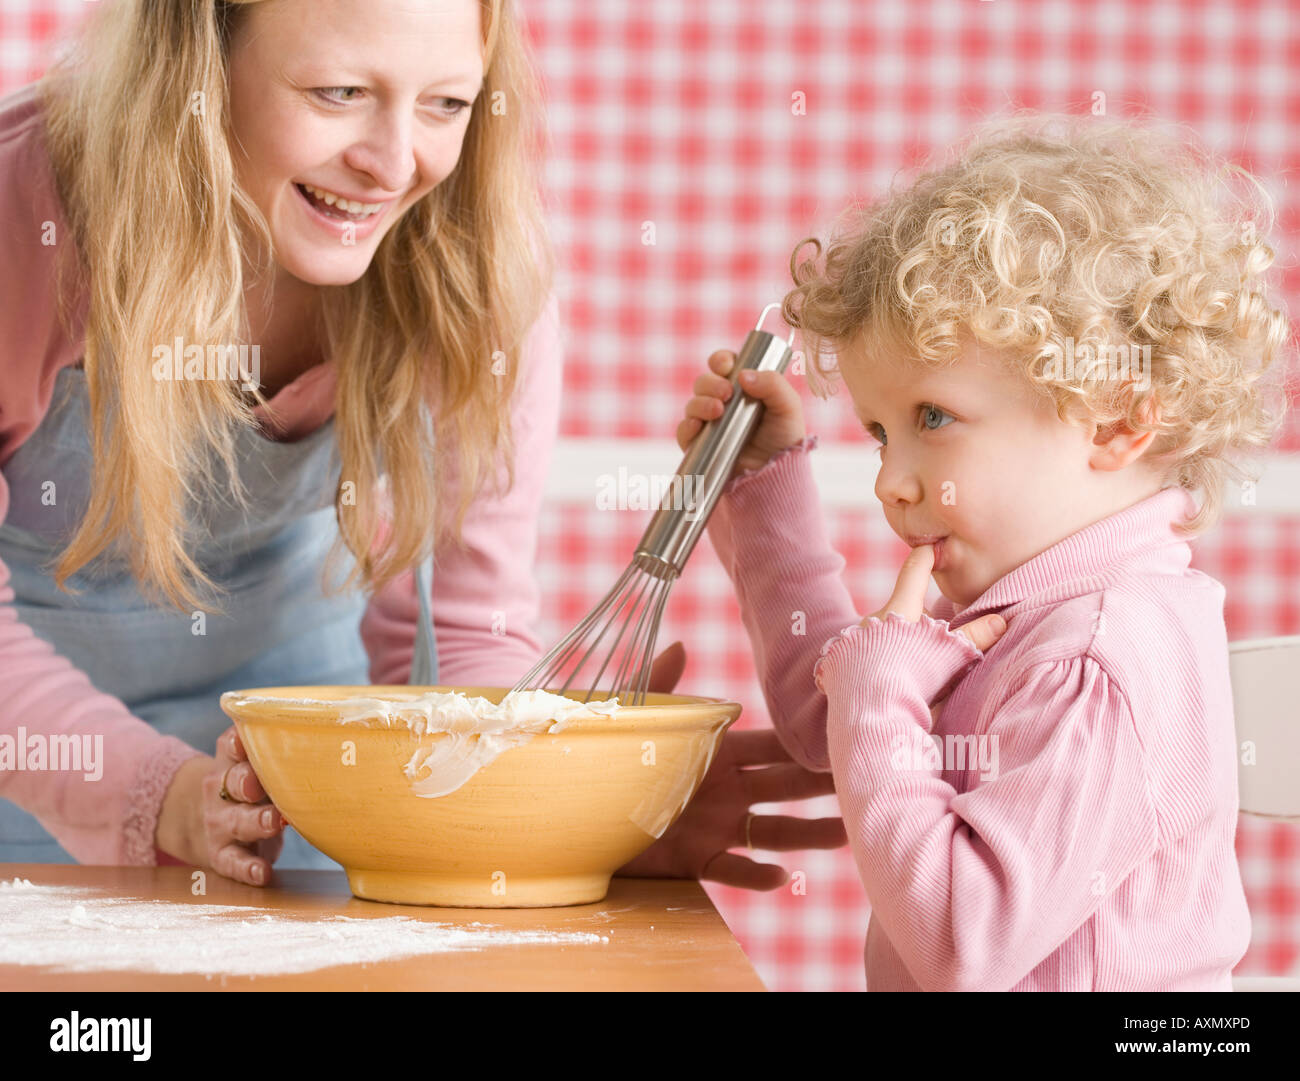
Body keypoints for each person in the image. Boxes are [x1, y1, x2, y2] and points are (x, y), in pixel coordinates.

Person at [0, 0, 845, 889]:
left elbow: (458, 638)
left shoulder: (475, 269)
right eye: (339, 92)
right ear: (197, 60)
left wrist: (563, 807)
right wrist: (160, 794)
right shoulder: (28, 219)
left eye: (447, 104)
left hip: (294, 788)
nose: (395, 164)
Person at [679, 115, 1289, 990]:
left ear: (1114, 421)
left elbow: (962, 942)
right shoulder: (1033, 603)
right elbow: (837, 719)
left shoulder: (1093, 660)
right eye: (882, 431)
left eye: (933, 418)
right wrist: (766, 484)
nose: (891, 478)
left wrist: (879, 688)